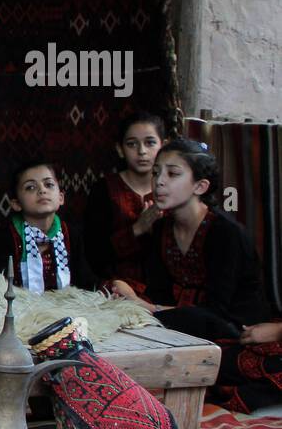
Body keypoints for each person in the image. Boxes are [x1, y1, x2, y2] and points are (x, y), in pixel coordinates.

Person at [110, 138, 270, 342]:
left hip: (234, 328)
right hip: (178, 320)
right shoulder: (162, 228)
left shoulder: (225, 233)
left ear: (200, 186)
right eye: (156, 172)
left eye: (173, 174)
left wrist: (147, 308)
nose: (159, 181)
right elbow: (159, 290)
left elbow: (216, 311)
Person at [84, 111, 164, 288]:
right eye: (132, 144)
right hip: (115, 288)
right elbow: (93, 253)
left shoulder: (174, 190)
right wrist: (138, 228)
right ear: (120, 150)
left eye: (150, 143)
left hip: (165, 288)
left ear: (163, 146)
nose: (142, 151)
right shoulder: (103, 190)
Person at [0, 158, 95, 292]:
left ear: (61, 198)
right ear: (16, 204)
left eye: (48, 184)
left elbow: (86, 282)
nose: (42, 191)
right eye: (31, 187)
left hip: (65, 308)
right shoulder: (6, 237)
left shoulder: (70, 234)